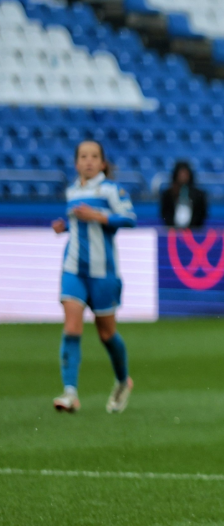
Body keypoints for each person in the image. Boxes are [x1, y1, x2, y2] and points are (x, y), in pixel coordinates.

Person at [50, 140, 136, 414]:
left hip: (103, 273)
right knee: (71, 328)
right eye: (84, 156)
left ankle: (123, 381)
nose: (88, 161)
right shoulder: (72, 190)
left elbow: (129, 218)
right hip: (74, 268)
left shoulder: (111, 190)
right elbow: (79, 225)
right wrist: (64, 227)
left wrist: (98, 216)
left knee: (106, 334)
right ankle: (70, 393)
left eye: (94, 156)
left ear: (102, 163)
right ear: (76, 163)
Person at [159, 160, 208, 229]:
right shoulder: (168, 194)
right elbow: (165, 213)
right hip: (172, 231)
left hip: (193, 231)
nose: (183, 176)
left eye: (185, 174)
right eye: (181, 174)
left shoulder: (198, 194)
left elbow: (201, 214)